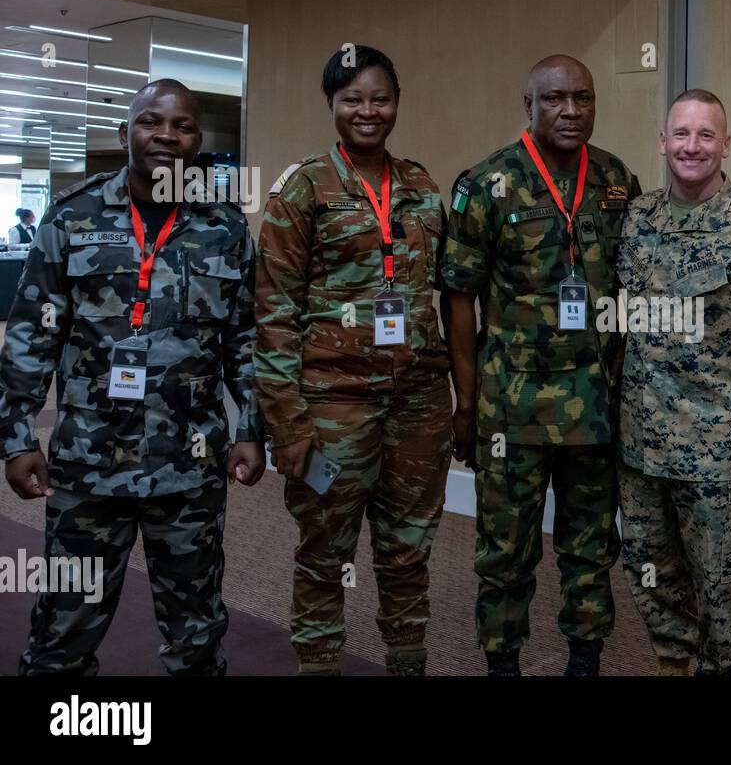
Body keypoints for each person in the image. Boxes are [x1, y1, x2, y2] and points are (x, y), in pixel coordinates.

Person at [0, 79, 263, 675]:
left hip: (190, 467)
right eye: (150, 122)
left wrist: (251, 427)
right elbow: (30, 337)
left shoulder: (224, 226)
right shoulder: (73, 215)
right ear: (126, 133)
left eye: (182, 126)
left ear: (198, 141)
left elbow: (244, 340)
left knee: (196, 634)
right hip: (88, 466)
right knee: (61, 633)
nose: (166, 135)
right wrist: (17, 439)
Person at [255, 46, 453, 676]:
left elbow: (445, 293)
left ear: (397, 103)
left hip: (418, 400)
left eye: (380, 98)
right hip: (332, 402)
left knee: (409, 547)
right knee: (325, 548)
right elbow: (274, 313)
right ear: (332, 105)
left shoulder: (422, 185)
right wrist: (286, 423)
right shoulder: (303, 189)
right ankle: (319, 664)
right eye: (352, 100)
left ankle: (407, 661)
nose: (368, 111)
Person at [442, 54, 639, 676]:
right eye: (554, 98)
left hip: (595, 410)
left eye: (583, 97)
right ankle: (503, 663)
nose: (571, 111)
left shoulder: (615, 179)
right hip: (511, 409)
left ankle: (585, 661)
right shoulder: (487, 184)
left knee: (590, 548)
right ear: (527, 103)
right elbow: (459, 301)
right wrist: (467, 406)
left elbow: (632, 293)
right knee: (505, 551)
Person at [618, 89, 731, 676]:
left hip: (720, 455)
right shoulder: (636, 219)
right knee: (652, 585)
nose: (690, 146)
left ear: (725, 144)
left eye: (704, 135)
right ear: (662, 142)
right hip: (641, 448)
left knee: (724, 600)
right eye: (680, 134)